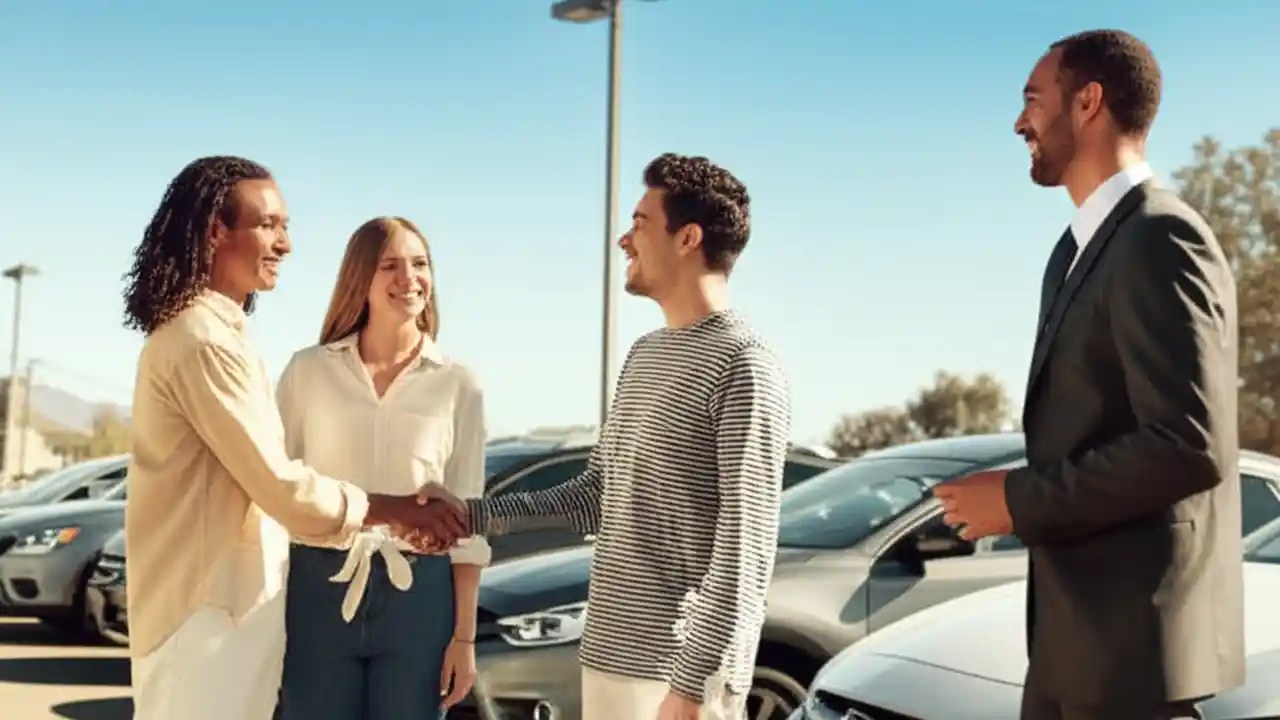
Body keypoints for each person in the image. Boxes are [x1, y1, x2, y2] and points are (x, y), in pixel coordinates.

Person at [933, 30, 1243, 720]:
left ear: (1088, 102)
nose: (1020, 123)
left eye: (1032, 100)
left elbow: (1190, 444)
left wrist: (1019, 500)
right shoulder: (1072, 251)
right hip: (1072, 650)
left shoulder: (1160, 236)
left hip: (1131, 659)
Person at [418, 152, 791, 720]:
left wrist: (692, 685)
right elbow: (595, 497)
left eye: (640, 223)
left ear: (688, 237)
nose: (624, 239)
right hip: (610, 658)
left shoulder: (745, 364)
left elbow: (746, 551)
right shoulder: (645, 355)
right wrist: (473, 515)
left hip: (679, 677)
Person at [121, 156, 464, 720]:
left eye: (285, 226)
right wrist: (392, 509)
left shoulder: (221, 332)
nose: (286, 244)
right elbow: (277, 483)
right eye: (269, 225)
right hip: (203, 616)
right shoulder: (201, 341)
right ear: (215, 230)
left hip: (228, 613)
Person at [273, 216, 488, 719]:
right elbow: (276, 491)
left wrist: (464, 638)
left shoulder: (459, 382)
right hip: (317, 587)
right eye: (390, 265)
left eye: (419, 264)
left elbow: (469, 523)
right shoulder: (308, 371)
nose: (409, 278)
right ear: (360, 278)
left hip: (420, 595)